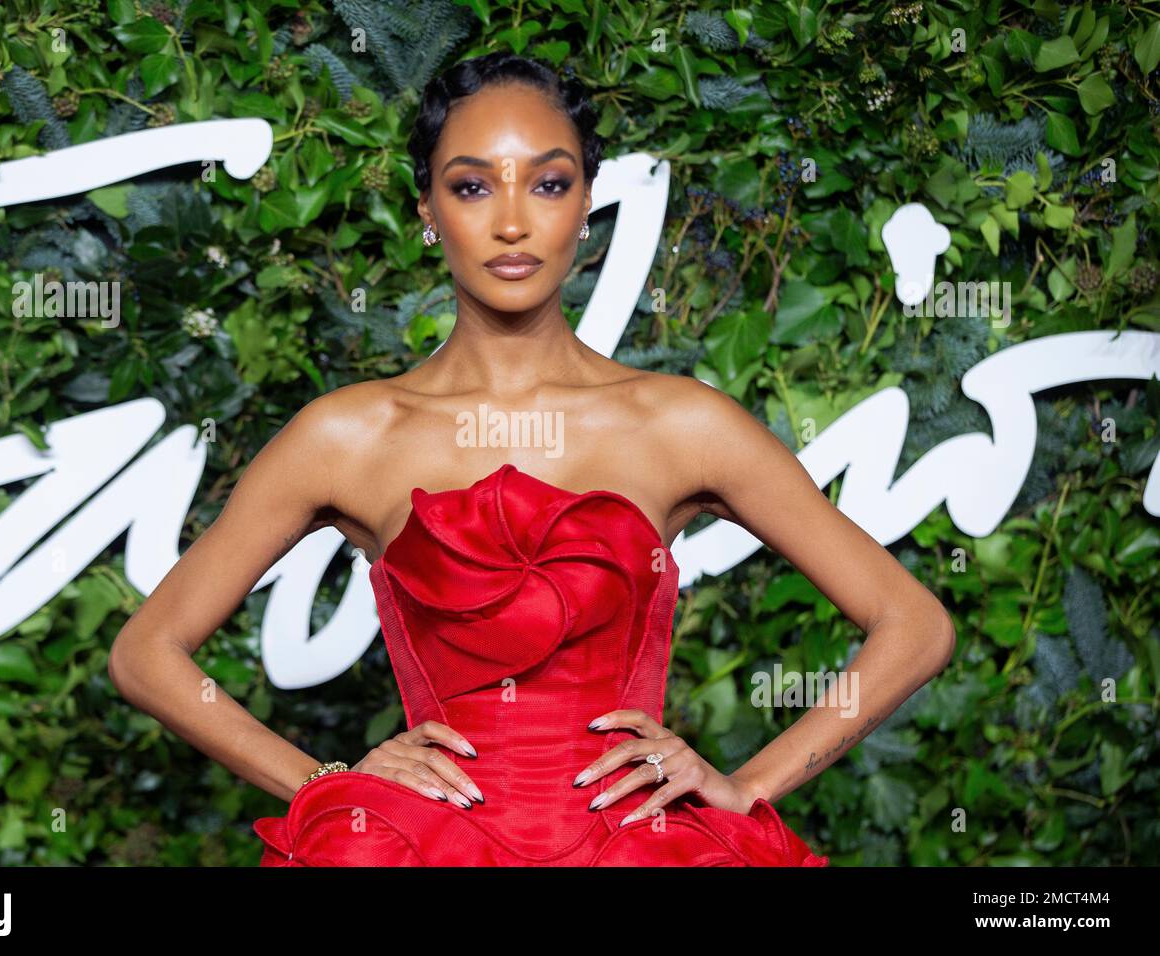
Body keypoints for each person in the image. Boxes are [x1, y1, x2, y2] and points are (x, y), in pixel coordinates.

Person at [108, 52, 955, 866]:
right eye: (471, 186)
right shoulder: (350, 435)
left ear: (587, 202)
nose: (511, 221)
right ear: (427, 210)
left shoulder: (680, 425)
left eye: (548, 183)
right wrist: (328, 786)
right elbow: (147, 654)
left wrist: (748, 786)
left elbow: (913, 625)